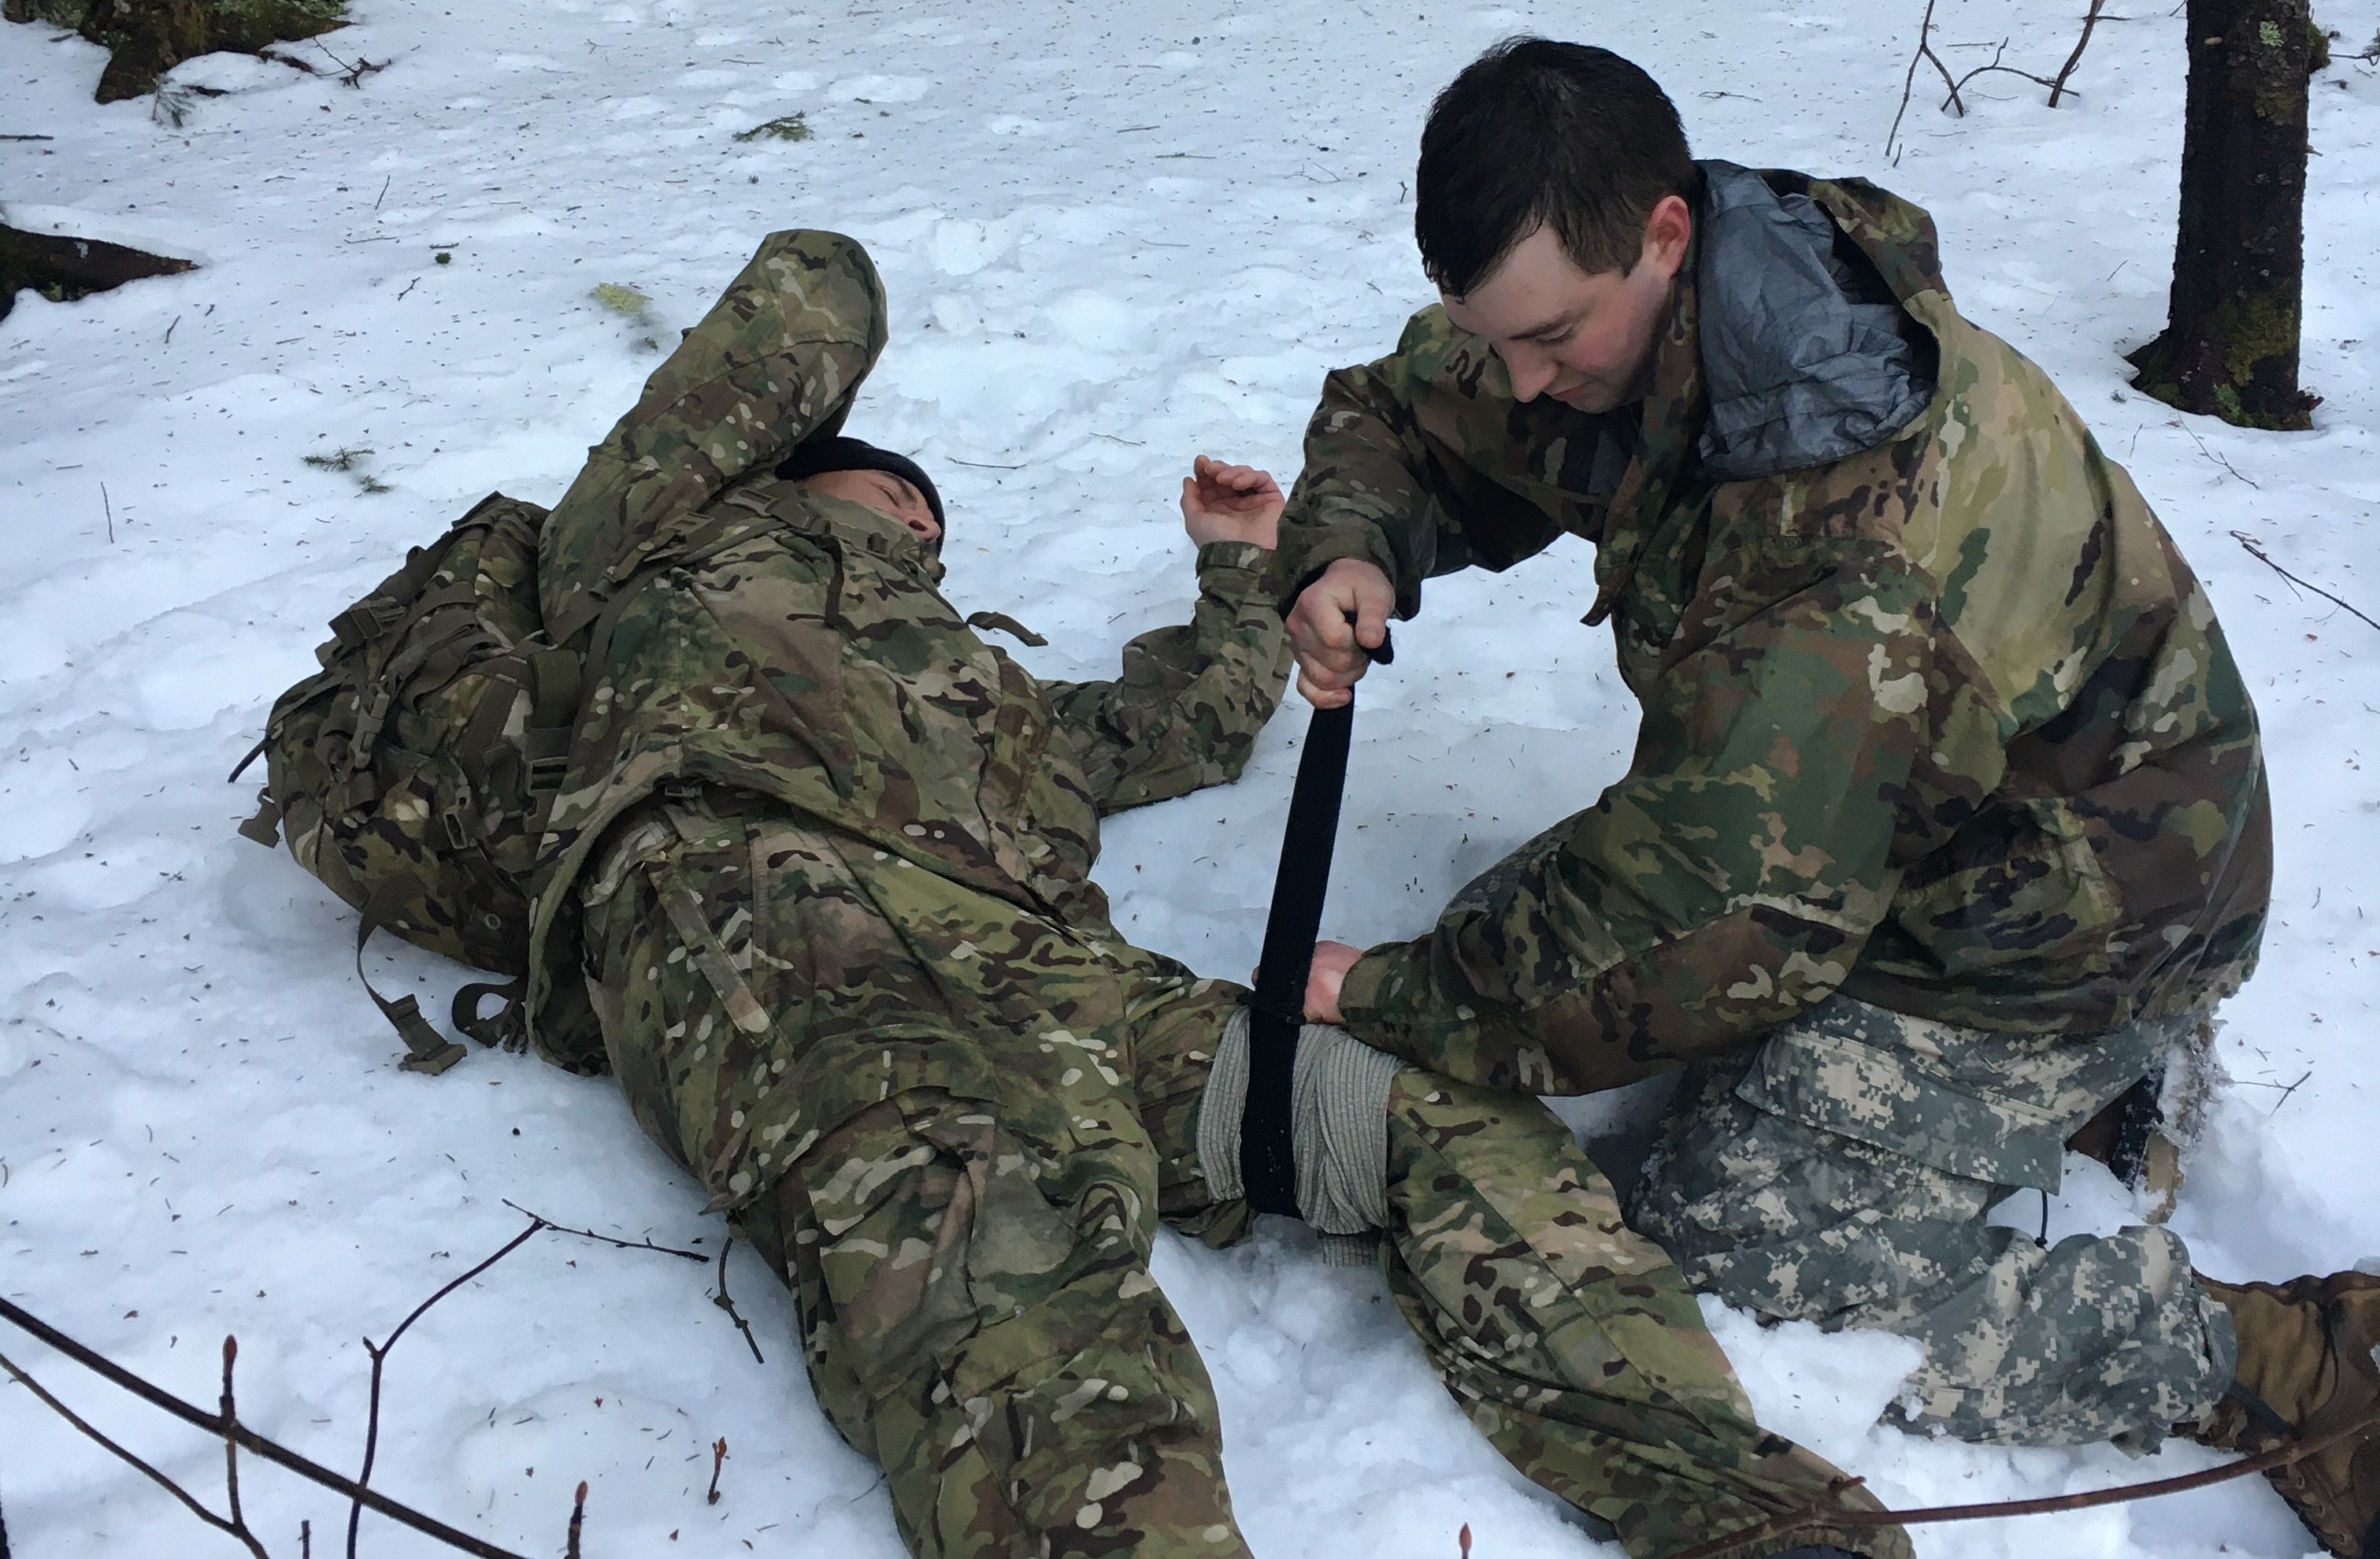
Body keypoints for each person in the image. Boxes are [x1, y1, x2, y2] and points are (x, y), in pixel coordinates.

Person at [521, 225, 1907, 1559]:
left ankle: (1747, 1516)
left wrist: (1241, 566)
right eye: (890, 496)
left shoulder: (980, 699)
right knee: (1007, 1276)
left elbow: (1185, 720)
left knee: (1429, 1115)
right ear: (776, 477)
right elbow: (811, 293)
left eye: (930, 521)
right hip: (772, 927)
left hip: (1053, 982)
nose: (922, 530)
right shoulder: (653, 550)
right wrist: (770, 463)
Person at [1277, 38, 2378, 1559]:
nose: (1522, 376)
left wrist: (1404, 993)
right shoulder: (1660, 319)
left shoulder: (1839, 527)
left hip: (2070, 927)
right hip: (1893, 830)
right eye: (1499, 335)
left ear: (1665, 230)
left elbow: (1709, 923)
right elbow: (1408, 411)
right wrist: (1352, 545)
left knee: (1727, 1244)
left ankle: (2273, 1362)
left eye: (1547, 338)